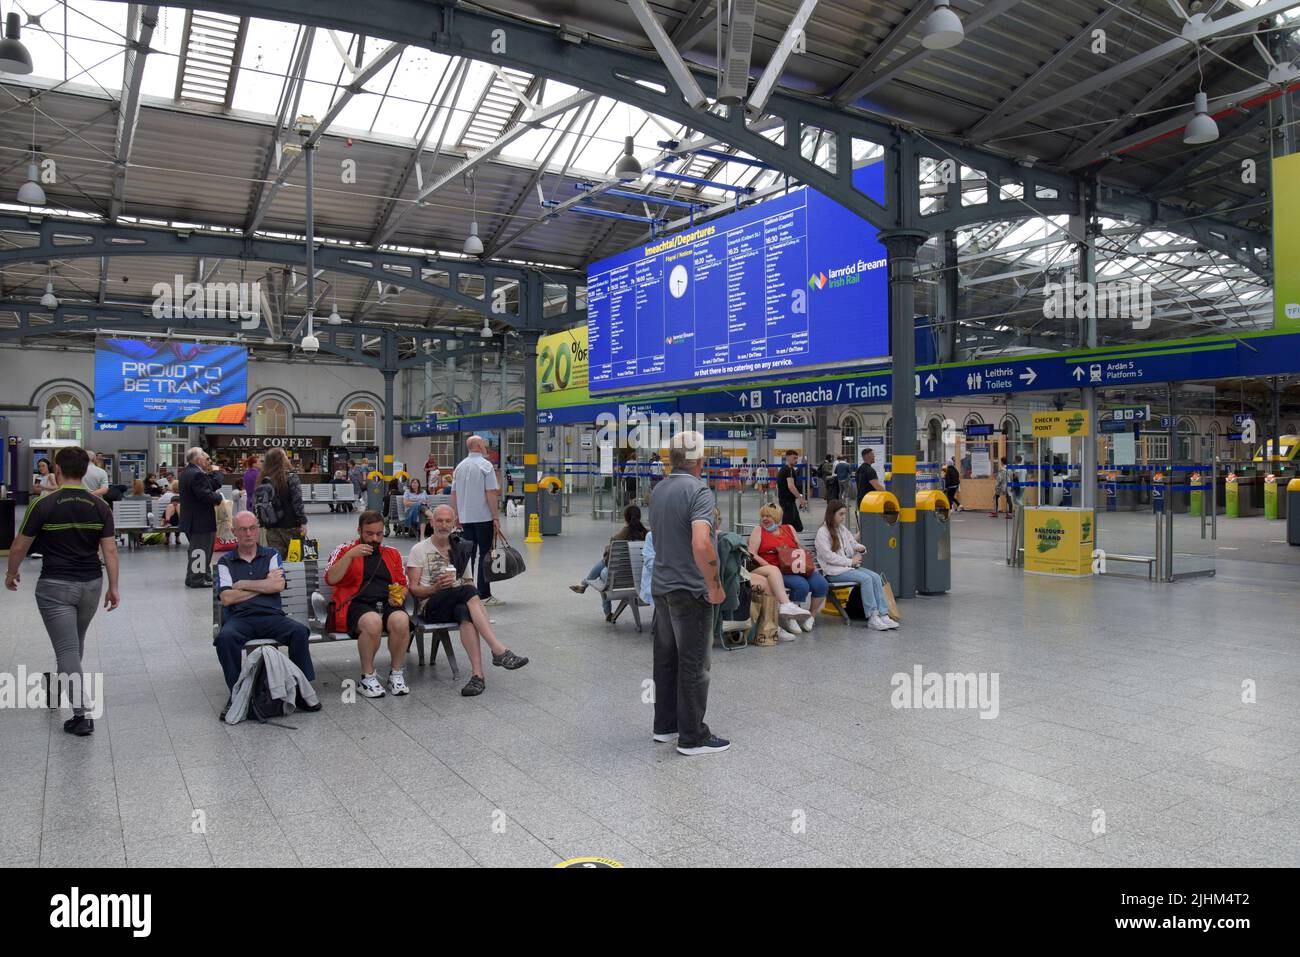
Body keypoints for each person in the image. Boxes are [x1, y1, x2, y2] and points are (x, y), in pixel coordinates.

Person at [5, 446, 120, 736]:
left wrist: (11, 572)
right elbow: (110, 552)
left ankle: (83, 715)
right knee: (73, 645)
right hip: (92, 585)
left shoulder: (44, 503)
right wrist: (114, 587)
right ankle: (59, 688)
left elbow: (20, 544)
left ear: (57, 470)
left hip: (55, 586)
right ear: (85, 472)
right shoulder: (100, 506)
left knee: (67, 649)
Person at [648, 430, 729, 756]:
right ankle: (693, 736)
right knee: (695, 664)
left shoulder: (659, 489)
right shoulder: (699, 492)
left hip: (662, 588)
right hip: (690, 591)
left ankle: (665, 726)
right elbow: (700, 542)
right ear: (700, 460)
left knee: (666, 661)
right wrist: (714, 584)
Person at [407, 504, 528, 697]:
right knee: (469, 591)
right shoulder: (419, 549)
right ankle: (498, 650)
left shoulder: (460, 548)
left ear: (454, 524)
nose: (444, 525)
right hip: (429, 607)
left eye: (448, 521)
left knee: (465, 612)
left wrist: (455, 584)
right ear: (431, 522)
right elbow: (413, 588)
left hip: (456, 600)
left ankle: (477, 677)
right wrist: (436, 587)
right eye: (439, 520)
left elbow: (468, 581)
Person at [214, 511, 317, 701]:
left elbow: (277, 585)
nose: (248, 534)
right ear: (233, 531)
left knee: (299, 632)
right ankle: (237, 694)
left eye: (252, 528)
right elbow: (227, 598)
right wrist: (264, 585)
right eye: (243, 529)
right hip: (240, 619)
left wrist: (242, 584)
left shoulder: (271, 554)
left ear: (258, 529)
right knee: (225, 639)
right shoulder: (225, 561)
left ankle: (303, 690)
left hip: (272, 616)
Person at [325, 510, 412, 698]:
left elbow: (403, 584)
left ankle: (396, 673)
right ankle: (367, 677)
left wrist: (398, 596)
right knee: (373, 622)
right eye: (369, 534)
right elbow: (331, 578)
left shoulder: (392, 553)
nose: (374, 538)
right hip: (356, 603)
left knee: (401, 621)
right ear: (359, 530)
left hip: (386, 601)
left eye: (379, 534)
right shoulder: (344, 550)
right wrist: (350, 556)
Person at [815, 500, 898, 631]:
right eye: (840, 514)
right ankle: (872, 616)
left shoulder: (841, 529)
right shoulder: (823, 532)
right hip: (833, 572)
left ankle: (883, 614)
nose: (843, 517)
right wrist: (851, 562)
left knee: (876, 577)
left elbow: (853, 543)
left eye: (844, 514)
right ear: (832, 514)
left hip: (846, 568)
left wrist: (861, 549)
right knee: (866, 579)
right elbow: (828, 556)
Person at [749, 502, 828, 633]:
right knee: (801, 585)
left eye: (769, 516)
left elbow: (799, 547)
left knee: (821, 584)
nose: (765, 519)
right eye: (763, 516)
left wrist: (809, 561)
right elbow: (752, 552)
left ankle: (811, 616)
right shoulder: (758, 531)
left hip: (797, 566)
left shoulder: (788, 528)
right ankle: (791, 617)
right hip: (778, 570)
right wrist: (768, 566)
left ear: (777, 517)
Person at [570, 503, 649, 621]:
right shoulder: (647, 535)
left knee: (603, 571)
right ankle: (584, 585)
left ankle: (606, 611)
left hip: (619, 579)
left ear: (625, 518)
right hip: (640, 577)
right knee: (604, 566)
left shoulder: (618, 538)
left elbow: (607, 560)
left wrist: (607, 549)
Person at [450, 435, 502, 607]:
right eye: (484, 444)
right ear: (479, 445)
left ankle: (467, 592)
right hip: (483, 517)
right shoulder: (485, 466)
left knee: (468, 554)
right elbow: (491, 493)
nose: (486, 446)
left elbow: (454, 493)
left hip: (465, 518)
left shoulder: (460, 467)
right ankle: (484, 594)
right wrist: (495, 516)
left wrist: (456, 515)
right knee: (485, 554)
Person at [179, 447, 225, 588]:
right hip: (200, 520)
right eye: (206, 458)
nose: (209, 461)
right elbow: (206, 495)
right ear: (198, 459)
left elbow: (209, 484)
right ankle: (197, 579)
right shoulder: (197, 475)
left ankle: (196, 576)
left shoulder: (189, 473)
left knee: (198, 550)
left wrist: (215, 473)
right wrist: (219, 497)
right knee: (200, 550)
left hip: (192, 519)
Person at [254, 447, 308, 559]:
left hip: (271, 526)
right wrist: (302, 522)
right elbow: (297, 502)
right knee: (295, 559)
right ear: (282, 460)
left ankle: (278, 577)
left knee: (276, 560)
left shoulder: (263, 479)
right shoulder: (291, 477)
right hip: (291, 525)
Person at [776, 449, 806, 532]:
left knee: (797, 526)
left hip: (787, 501)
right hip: (787, 502)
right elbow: (791, 486)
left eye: (797, 458)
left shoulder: (785, 469)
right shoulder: (788, 470)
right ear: (788, 457)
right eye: (794, 458)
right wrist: (801, 499)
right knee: (787, 527)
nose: (796, 460)